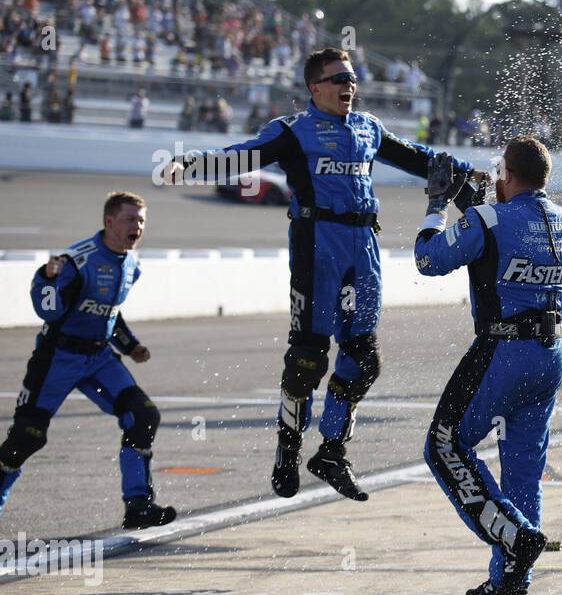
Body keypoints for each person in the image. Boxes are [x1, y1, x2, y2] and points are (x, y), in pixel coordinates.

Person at [159, 48, 479, 501]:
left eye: (351, 79)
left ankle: (331, 452)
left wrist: (468, 173)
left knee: (364, 360)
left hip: (364, 247)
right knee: (308, 360)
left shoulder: (369, 127)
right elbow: (243, 157)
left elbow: (421, 159)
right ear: (314, 88)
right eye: (337, 80)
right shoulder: (293, 131)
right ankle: (288, 451)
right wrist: (188, 165)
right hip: (316, 245)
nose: (348, 86)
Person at [415, 137, 562, 595]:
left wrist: (436, 206)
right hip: (550, 356)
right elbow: (507, 243)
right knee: (524, 471)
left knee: (444, 445)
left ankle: (514, 536)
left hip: (501, 351)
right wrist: (475, 208)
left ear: (506, 175)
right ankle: (511, 582)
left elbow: (429, 260)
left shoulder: (489, 219)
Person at [0, 192, 175, 529]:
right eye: (129, 219)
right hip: (57, 358)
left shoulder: (132, 265)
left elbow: (108, 313)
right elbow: (47, 309)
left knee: (142, 415)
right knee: (28, 436)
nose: (136, 227)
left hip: (99, 358)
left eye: (141, 221)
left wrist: (130, 345)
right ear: (109, 222)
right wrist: (48, 277)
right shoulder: (78, 261)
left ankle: (138, 505)